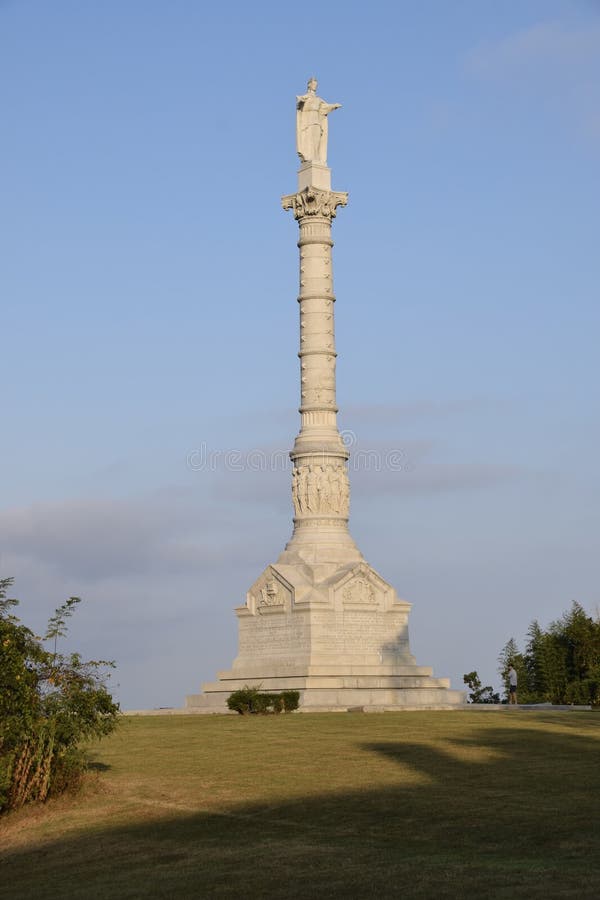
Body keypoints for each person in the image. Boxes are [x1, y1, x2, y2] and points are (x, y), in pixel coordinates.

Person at [296, 78, 341, 165]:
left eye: (316, 85)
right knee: (308, 139)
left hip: (316, 121)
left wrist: (334, 106)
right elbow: (299, 104)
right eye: (313, 84)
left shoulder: (318, 99)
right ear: (309, 85)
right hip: (307, 123)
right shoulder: (305, 97)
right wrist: (300, 101)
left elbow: (325, 107)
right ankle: (308, 157)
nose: (315, 86)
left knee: (317, 140)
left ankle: (316, 157)